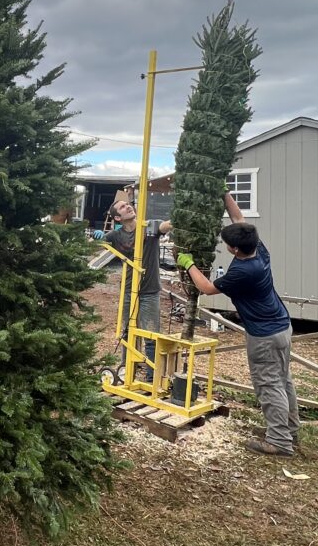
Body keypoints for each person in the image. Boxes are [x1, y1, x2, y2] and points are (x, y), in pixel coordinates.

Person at [176, 188, 300, 457]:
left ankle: (279, 442)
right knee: (283, 380)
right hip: (281, 325)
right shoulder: (258, 249)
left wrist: (188, 264)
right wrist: (223, 195)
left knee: (269, 384)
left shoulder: (244, 271)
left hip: (265, 335)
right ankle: (288, 431)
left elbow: (207, 288)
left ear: (234, 249)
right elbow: (238, 217)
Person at [94, 198, 171, 379]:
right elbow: (96, 251)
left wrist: (179, 218)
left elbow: (166, 226)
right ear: (118, 218)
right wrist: (96, 238)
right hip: (128, 291)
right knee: (127, 334)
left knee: (150, 335)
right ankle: (126, 373)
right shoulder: (115, 236)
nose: (128, 206)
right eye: (122, 207)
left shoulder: (148, 227)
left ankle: (153, 378)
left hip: (149, 291)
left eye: (128, 204)